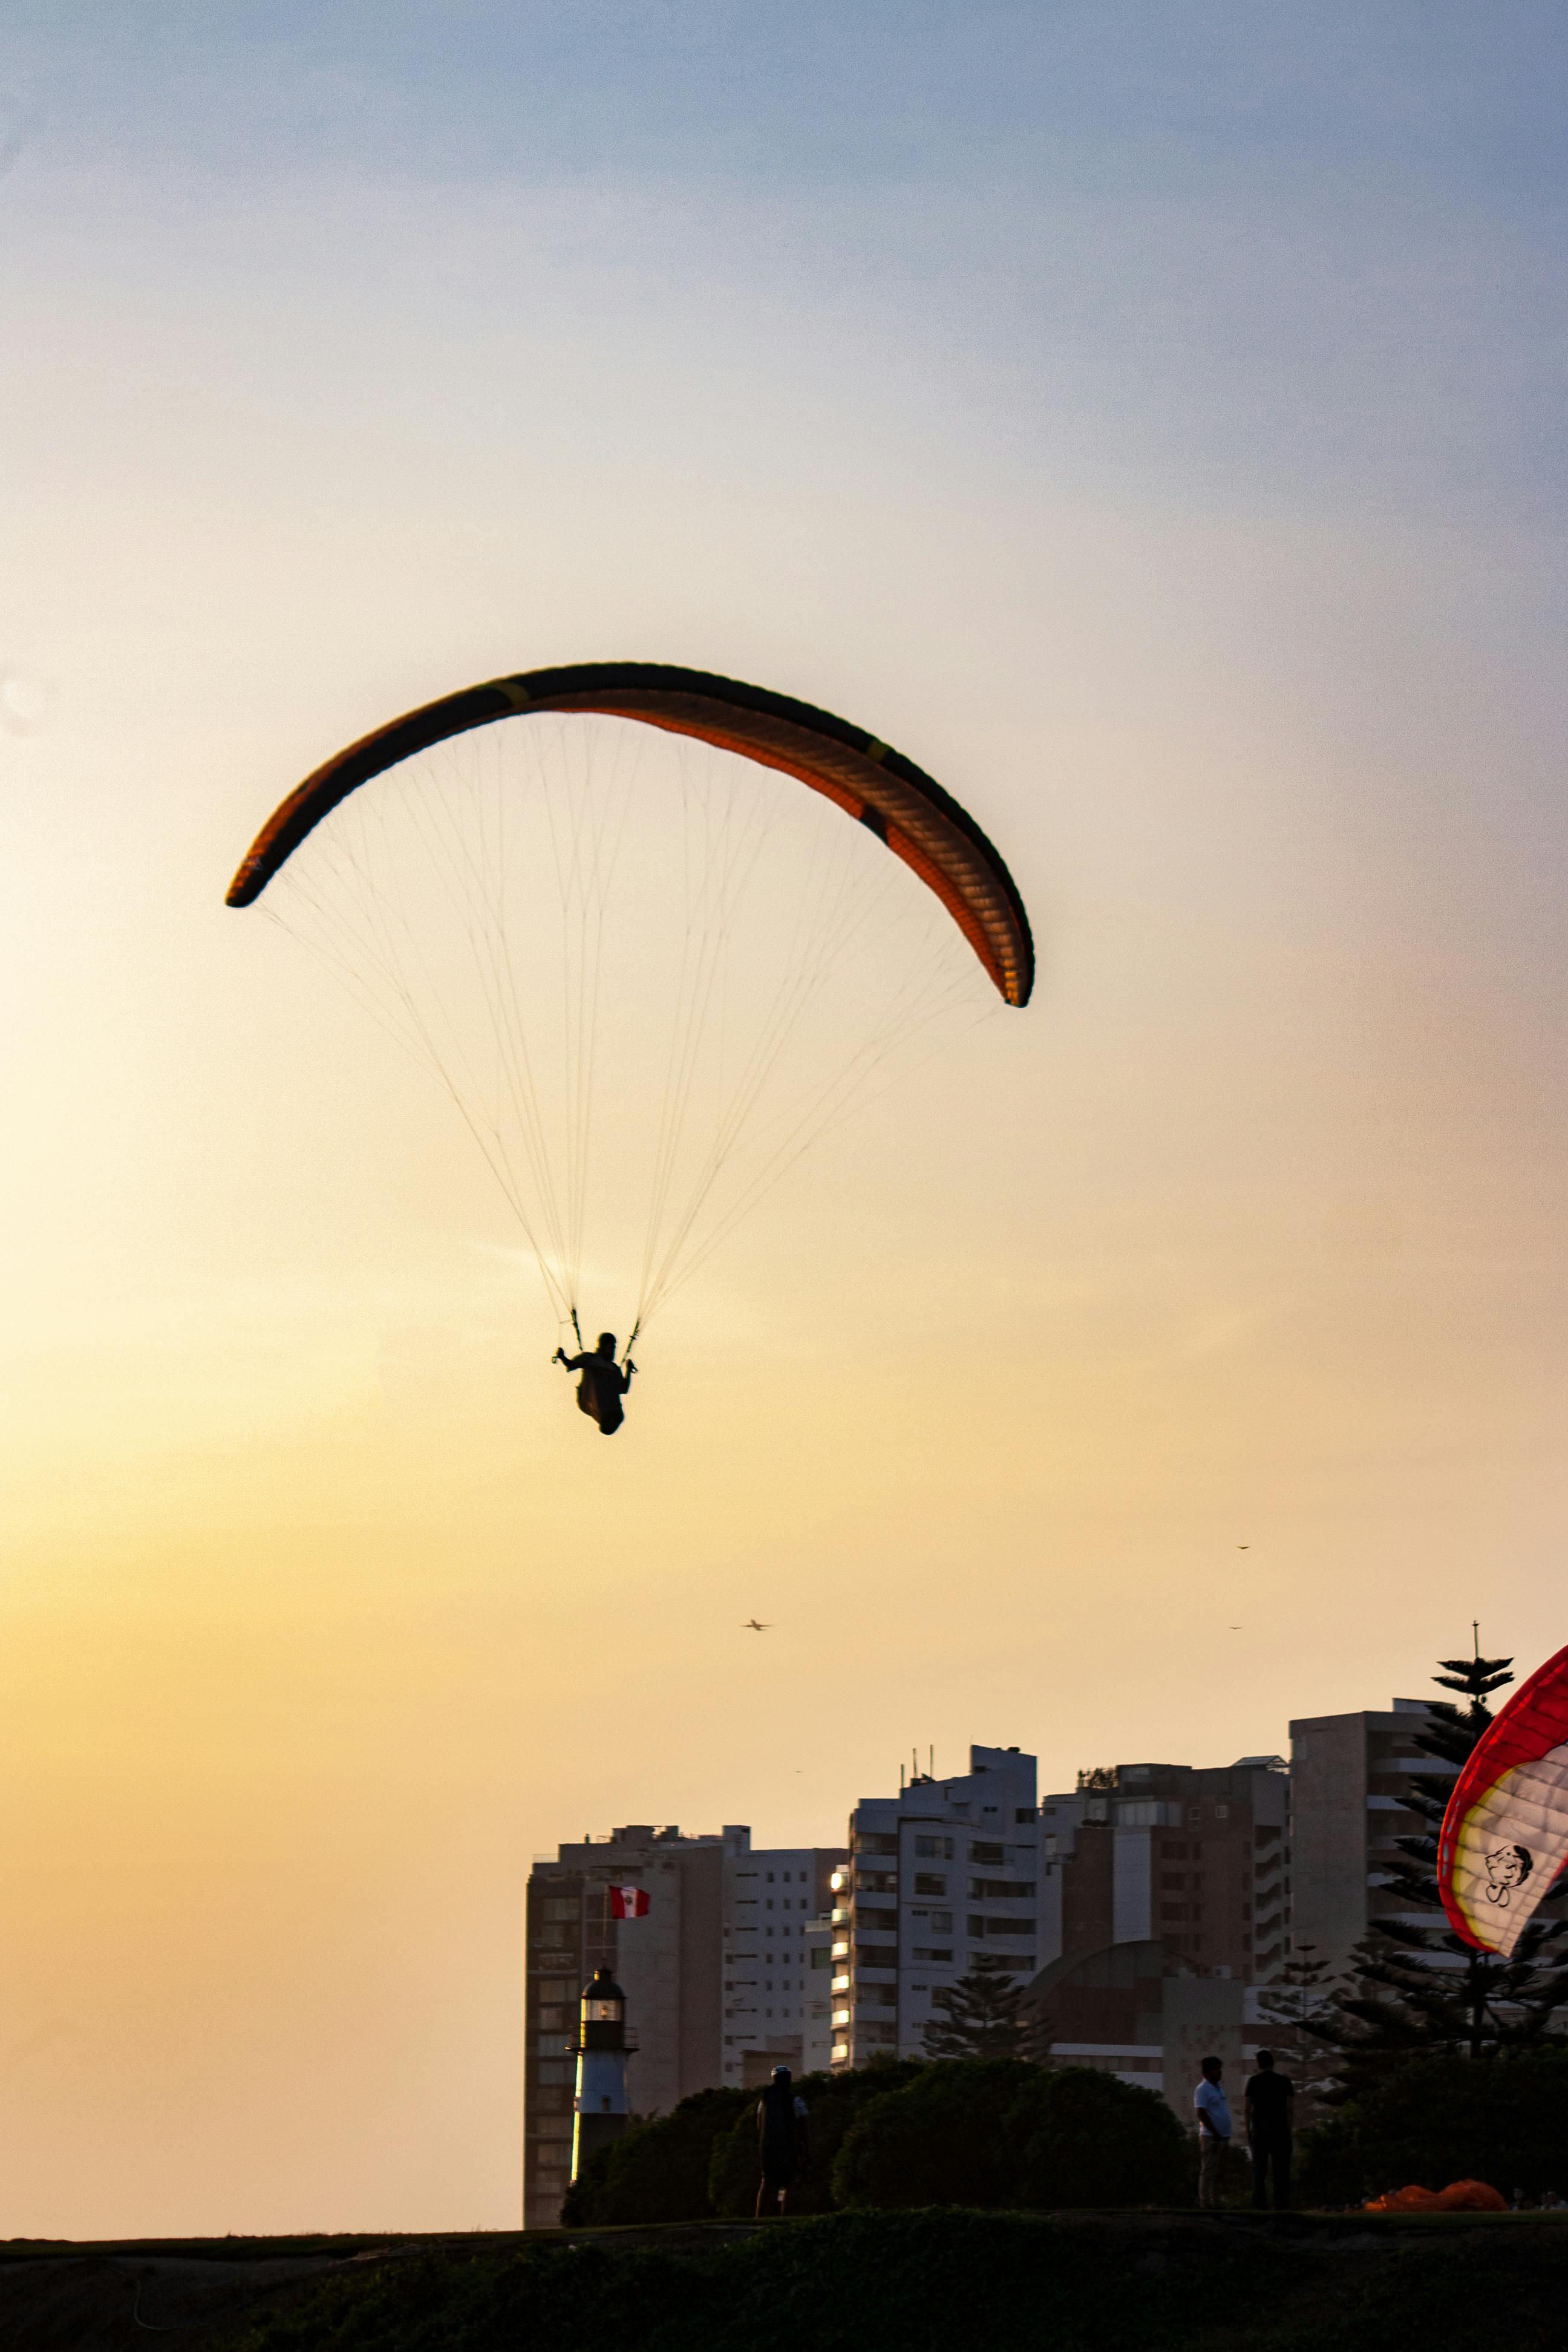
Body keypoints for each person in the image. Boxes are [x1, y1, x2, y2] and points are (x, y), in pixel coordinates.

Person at [1244, 2047, 1295, 2211]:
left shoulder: (1253, 2081)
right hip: (1280, 2131)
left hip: (1260, 2131)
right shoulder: (1285, 2082)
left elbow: (1247, 2108)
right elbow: (1289, 2109)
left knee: (1259, 2170)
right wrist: (1289, 2129)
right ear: (1273, 2062)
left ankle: (1260, 2204)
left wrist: (1248, 2130)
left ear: (1258, 2064)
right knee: (1281, 2170)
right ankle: (1282, 2204)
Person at [756, 2064, 809, 2217]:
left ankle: (759, 2217)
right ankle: (784, 2217)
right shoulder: (795, 2100)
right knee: (790, 2182)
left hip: (767, 2149)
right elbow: (804, 2127)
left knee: (766, 2182)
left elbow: (759, 2125)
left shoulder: (764, 2100)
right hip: (788, 2148)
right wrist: (805, 2150)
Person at [554, 1333, 635, 1434]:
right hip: (593, 1402)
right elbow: (571, 1365)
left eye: (614, 1348)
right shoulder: (589, 1359)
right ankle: (607, 1421)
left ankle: (609, 1421)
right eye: (610, 1348)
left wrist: (628, 1370)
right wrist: (562, 1357)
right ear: (602, 1347)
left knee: (619, 1415)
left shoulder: (614, 1369)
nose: (613, 1351)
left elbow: (623, 1389)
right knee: (613, 1413)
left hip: (610, 1407)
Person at [1194, 2055, 1231, 2212]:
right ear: (1208, 2072)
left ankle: (1216, 2201)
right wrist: (1215, 2132)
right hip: (1211, 2137)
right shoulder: (1202, 2089)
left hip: (1223, 2136)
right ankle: (1205, 2202)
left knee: (1219, 2171)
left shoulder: (1219, 2087)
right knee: (1208, 2169)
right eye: (1216, 2069)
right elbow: (1201, 2113)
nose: (1219, 2072)